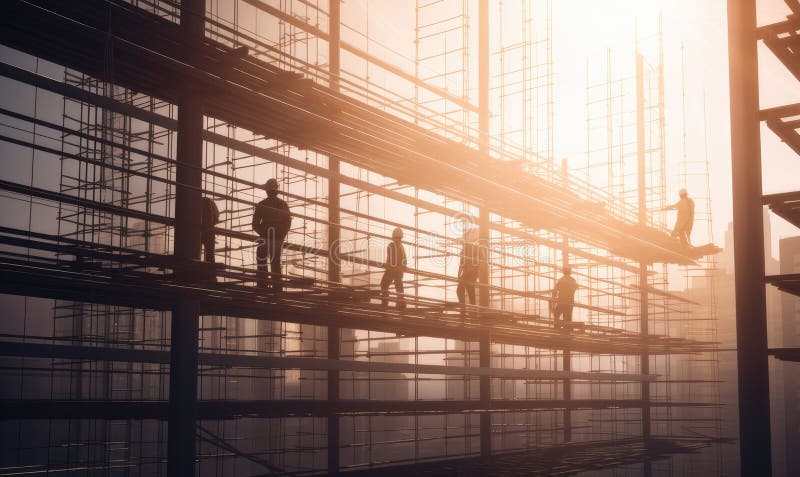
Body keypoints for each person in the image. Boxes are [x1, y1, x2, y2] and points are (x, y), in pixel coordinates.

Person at [252, 178, 292, 291]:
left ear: (266, 190)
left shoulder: (262, 204)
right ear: (277, 190)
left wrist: (265, 233)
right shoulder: (282, 204)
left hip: (267, 236)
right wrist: (279, 235)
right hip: (274, 236)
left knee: (263, 259)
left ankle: (263, 285)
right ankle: (276, 287)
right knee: (274, 262)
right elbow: (287, 223)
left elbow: (255, 224)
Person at [380, 227, 406, 310]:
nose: (398, 239)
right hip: (398, 271)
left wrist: (388, 265)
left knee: (384, 284)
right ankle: (401, 304)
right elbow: (404, 260)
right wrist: (402, 268)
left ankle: (385, 303)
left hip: (392, 270)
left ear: (393, 237)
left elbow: (390, 259)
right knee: (399, 287)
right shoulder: (401, 247)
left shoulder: (391, 245)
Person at [456, 228, 481, 311]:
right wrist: (459, 275)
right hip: (470, 273)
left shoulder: (472, 248)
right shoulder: (466, 249)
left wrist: (459, 275)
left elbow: (477, 262)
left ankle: (464, 310)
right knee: (470, 291)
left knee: (461, 290)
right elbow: (461, 263)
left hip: (470, 273)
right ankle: (470, 310)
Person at [201, 197, 220, 264]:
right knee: (210, 254)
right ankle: (209, 268)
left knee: (194, 252)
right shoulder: (209, 202)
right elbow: (216, 217)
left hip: (202, 230)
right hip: (209, 231)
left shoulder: (202, 202)